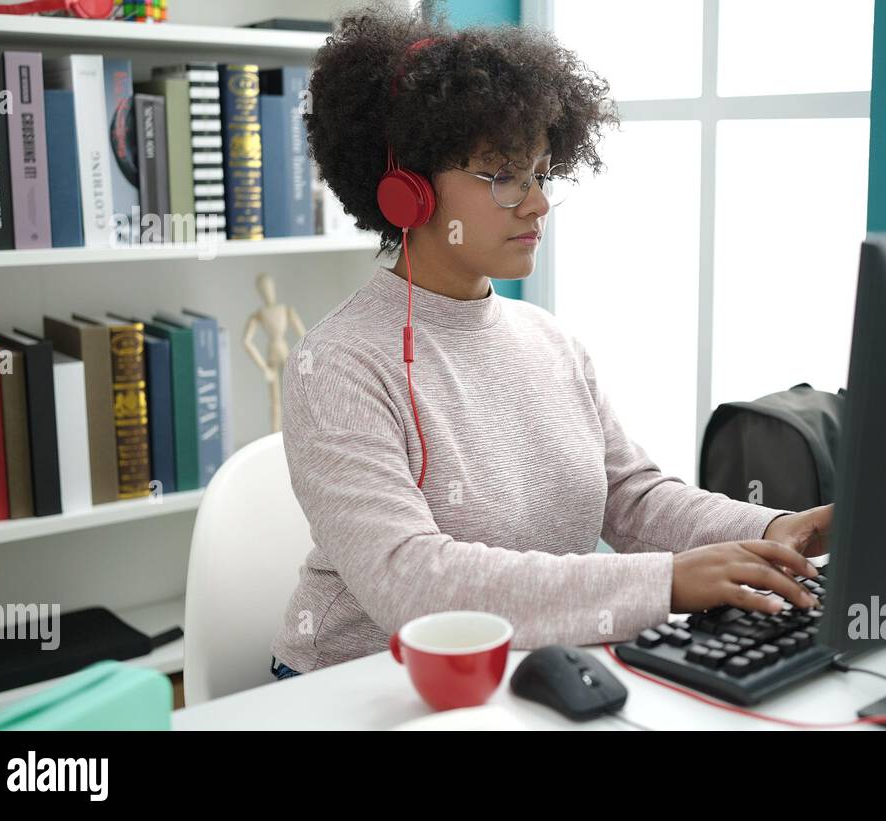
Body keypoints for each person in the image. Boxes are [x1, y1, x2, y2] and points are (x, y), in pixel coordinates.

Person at [270, 1, 832, 677]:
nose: (535, 202)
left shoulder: (552, 342)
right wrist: (666, 582)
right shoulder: (337, 365)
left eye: (540, 173)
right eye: (501, 174)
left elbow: (633, 499)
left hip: (520, 674)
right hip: (349, 693)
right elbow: (412, 580)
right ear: (407, 192)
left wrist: (771, 530)